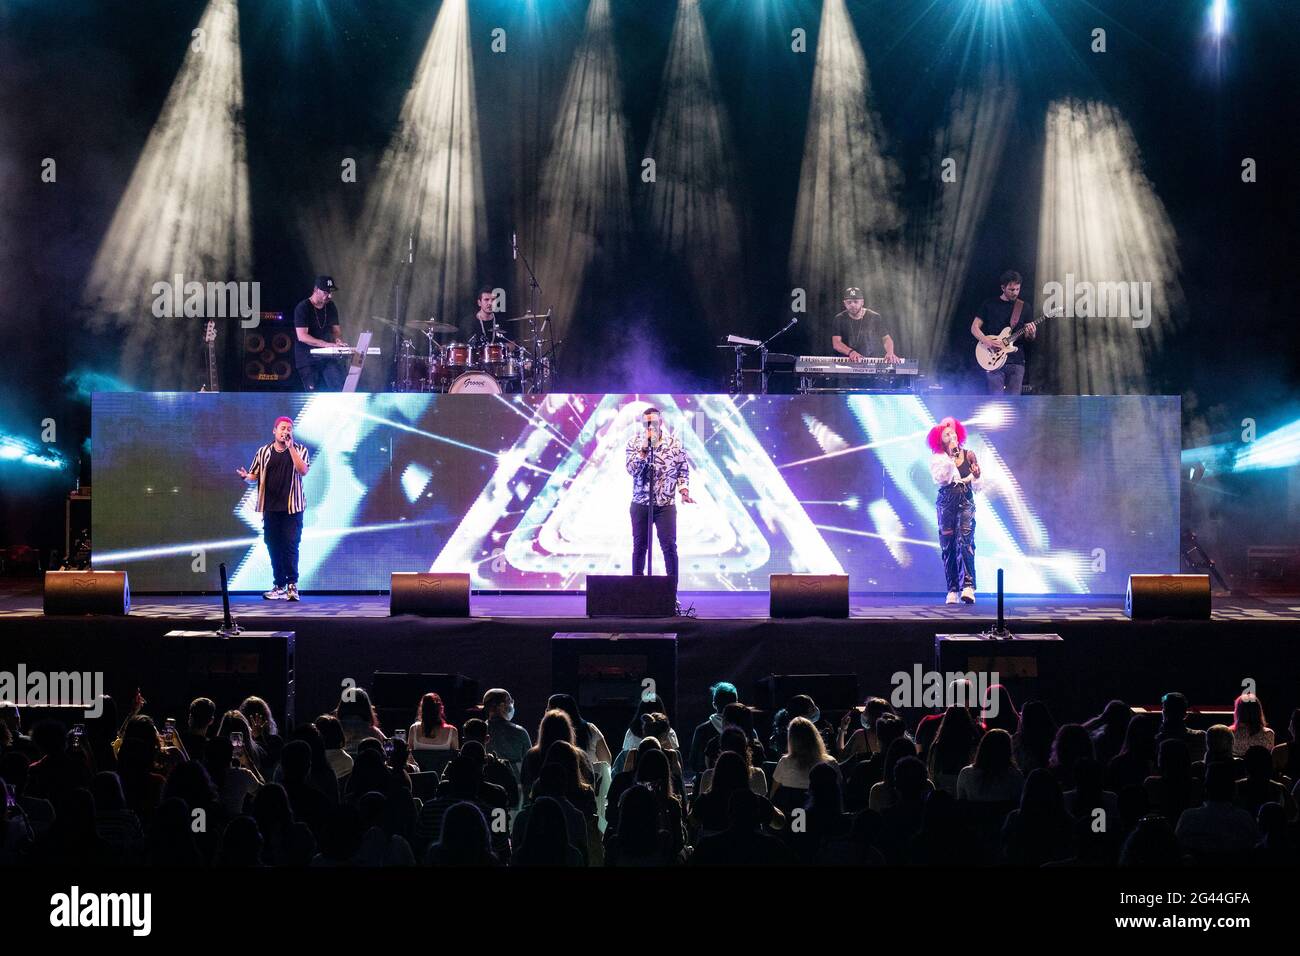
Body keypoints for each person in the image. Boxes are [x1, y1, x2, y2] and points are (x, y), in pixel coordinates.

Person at [236, 415, 311, 601]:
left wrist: (291, 447)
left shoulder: (300, 449)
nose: (286, 431)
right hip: (270, 508)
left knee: (290, 545)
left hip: (293, 508)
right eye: (283, 428)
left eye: (289, 429)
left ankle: (292, 585)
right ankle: (279, 585)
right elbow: (254, 476)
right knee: (273, 546)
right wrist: (246, 477)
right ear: (274, 431)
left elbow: (303, 471)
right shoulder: (263, 452)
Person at [624, 406, 694, 592]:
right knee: (640, 547)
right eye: (646, 424)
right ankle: (638, 593)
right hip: (641, 504)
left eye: (653, 423)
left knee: (669, 546)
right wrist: (643, 451)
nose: (650, 427)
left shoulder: (674, 444)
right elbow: (631, 470)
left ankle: (671, 594)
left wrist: (684, 490)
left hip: (665, 505)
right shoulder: (634, 443)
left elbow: (682, 469)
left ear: (660, 423)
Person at [927, 416, 980, 604]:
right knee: (948, 545)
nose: (951, 436)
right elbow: (941, 479)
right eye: (946, 434)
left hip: (965, 499)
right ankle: (952, 589)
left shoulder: (969, 454)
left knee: (966, 541)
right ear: (940, 439)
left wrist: (976, 475)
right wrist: (950, 458)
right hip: (946, 501)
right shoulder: (938, 458)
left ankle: (968, 586)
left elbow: (978, 483)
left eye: (953, 432)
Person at [971, 269, 1037, 395]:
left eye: (1017, 289)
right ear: (1003, 287)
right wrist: (987, 341)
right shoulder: (989, 304)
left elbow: (1029, 338)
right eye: (1011, 290)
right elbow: (974, 327)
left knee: (1013, 403)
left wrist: (1032, 333)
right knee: (996, 402)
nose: (1015, 293)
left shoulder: (1025, 307)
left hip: (1016, 361)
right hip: (993, 359)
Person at [293, 275, 347, 391]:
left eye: (330, 292)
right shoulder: (303, 308)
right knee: (314, 392)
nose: (329, 296)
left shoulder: (331, 306)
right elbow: (302, 336)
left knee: (339, 386)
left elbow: (336, 330)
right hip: (307, 358)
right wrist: (326, 344)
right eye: (326, 292)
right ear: (316, 290)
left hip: (326, 357)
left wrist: (338, 341)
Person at [830, 287, 902, 364]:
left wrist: (890, 353)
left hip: (869, 360)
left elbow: (886, 338)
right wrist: (851, 352)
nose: (852, 305)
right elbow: (836, 343)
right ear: (845, 303)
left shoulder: (874, 317)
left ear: (862, 302)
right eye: (849, 302)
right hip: (846, 361)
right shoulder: (839, 318)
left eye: (856, 302)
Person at [688, 681, 739, 776]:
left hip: (708, 782)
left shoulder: (701, 730)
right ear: (736, 703)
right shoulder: (747, 730)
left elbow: (694, 764)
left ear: (714, 704)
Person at [481, 688, 531, 776]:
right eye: (510, 701)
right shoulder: (519, 732)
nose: (512, 704)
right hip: (514, 782)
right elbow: (530, 764)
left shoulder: (480, 731)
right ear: (502, 705)